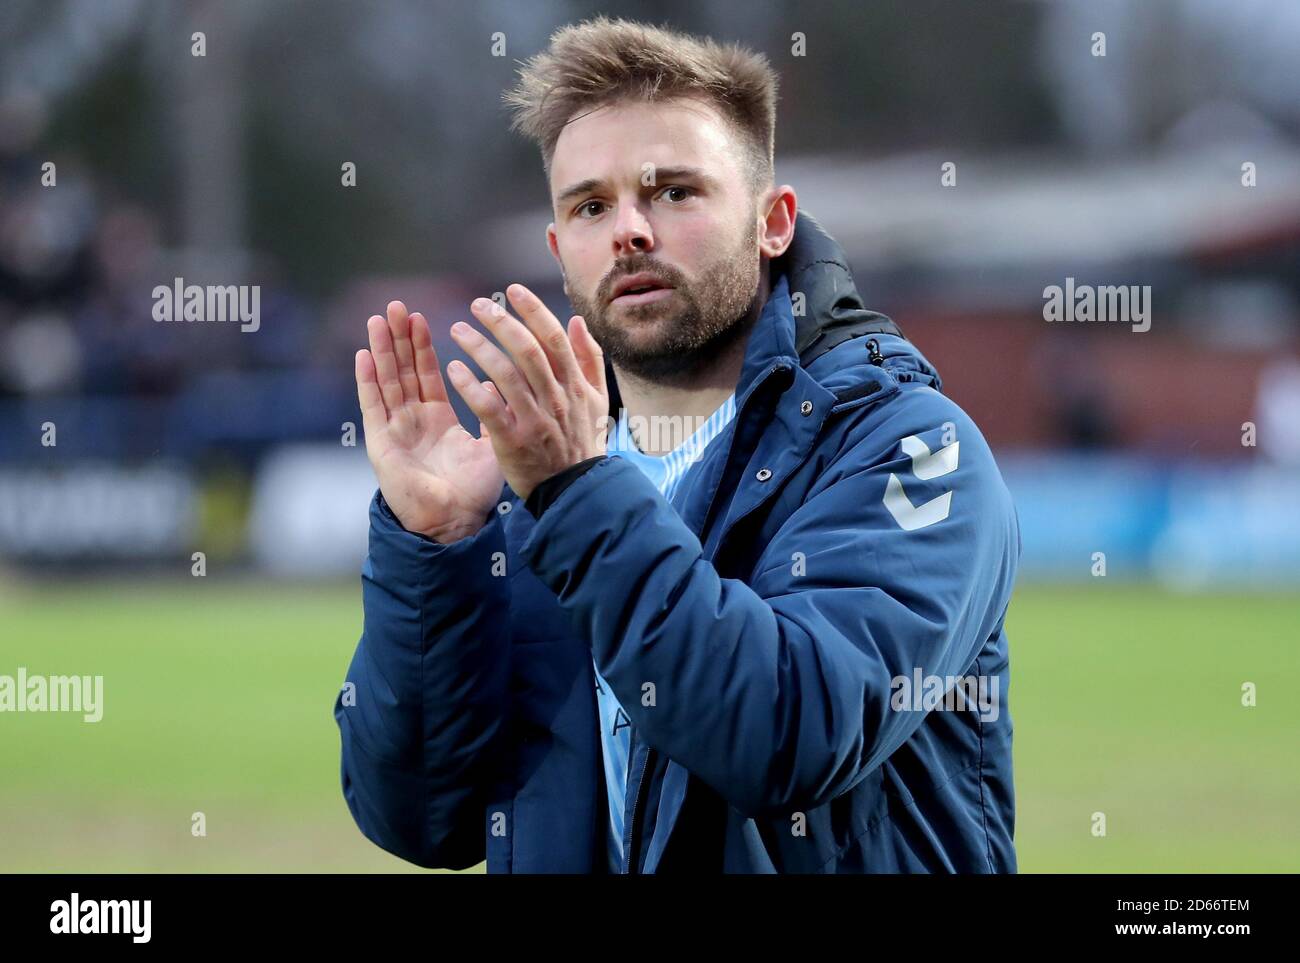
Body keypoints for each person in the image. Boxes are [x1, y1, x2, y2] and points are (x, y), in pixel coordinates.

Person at [334, 16, 1020, 873]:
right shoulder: (531, 481)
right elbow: (421, 817)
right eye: (591, 205)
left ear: (774, 222)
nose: (628, 230)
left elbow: (790, 733)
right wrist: (436, 549)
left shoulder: (909, 448)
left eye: (673, 193)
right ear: (559, 249)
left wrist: (577, 492)